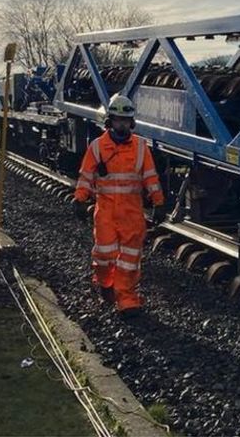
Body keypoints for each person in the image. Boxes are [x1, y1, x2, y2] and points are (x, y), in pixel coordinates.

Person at [72, 94, 165, 318]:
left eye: (125, 120)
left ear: (131, 122)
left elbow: (150, 177)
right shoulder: (97, 147)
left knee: (130, 260)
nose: (121, 124)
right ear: (110, 121)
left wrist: (158, 202)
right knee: (104, 255)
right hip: (105, 211)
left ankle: (127, 300)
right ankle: (105, 282)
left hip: (132, 213)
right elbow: (86, 175)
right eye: (117, 120)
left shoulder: (141, 148)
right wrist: (80, 197)